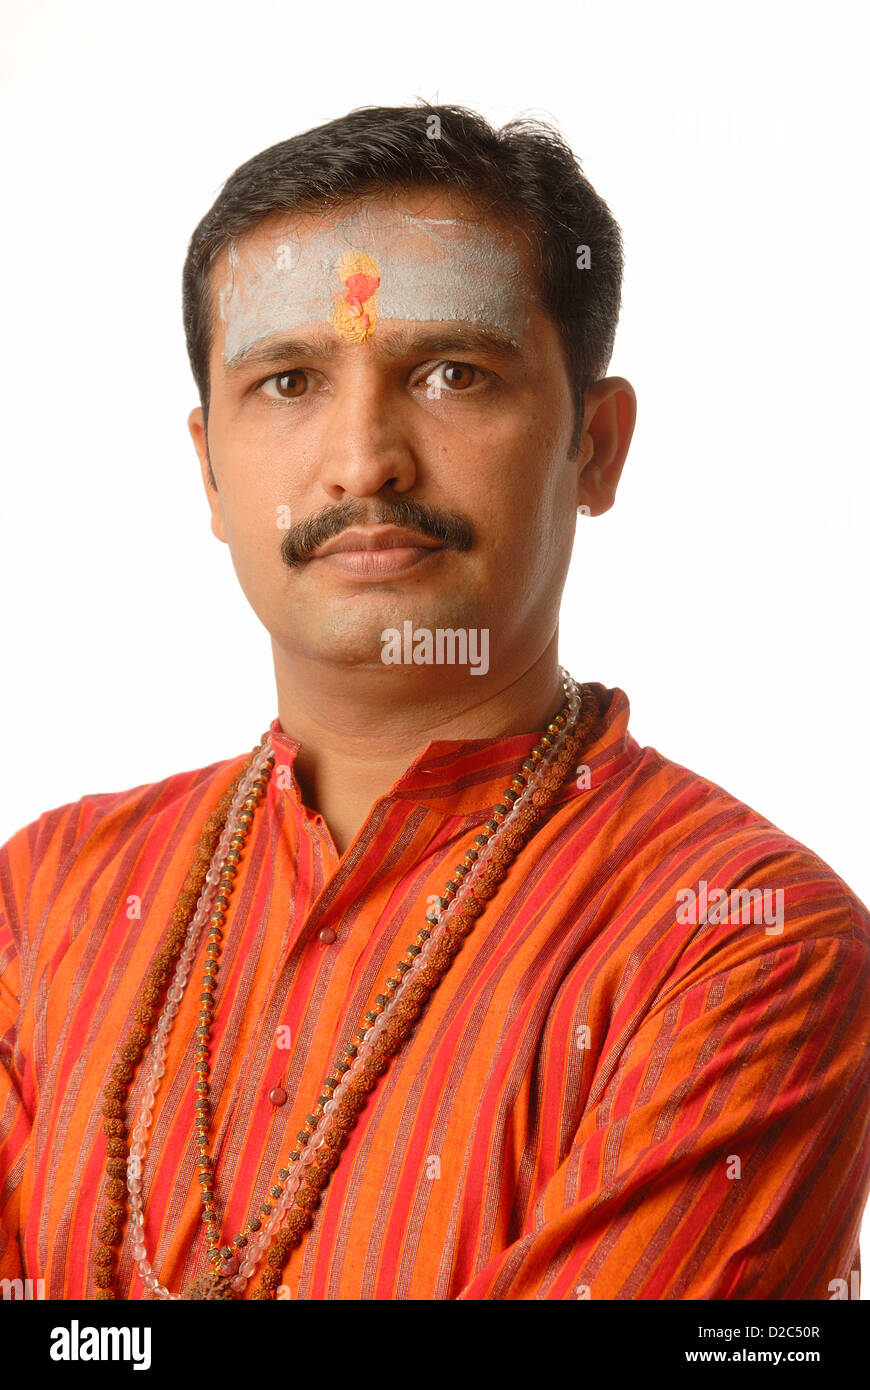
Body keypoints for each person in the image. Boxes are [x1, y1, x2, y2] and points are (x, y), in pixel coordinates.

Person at [1, 102, 867, 1302]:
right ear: (207, 466)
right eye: (290, 379)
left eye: (454, 372)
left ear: (597, 447)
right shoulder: (48, 900)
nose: (364, 459)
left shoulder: (744, 942)